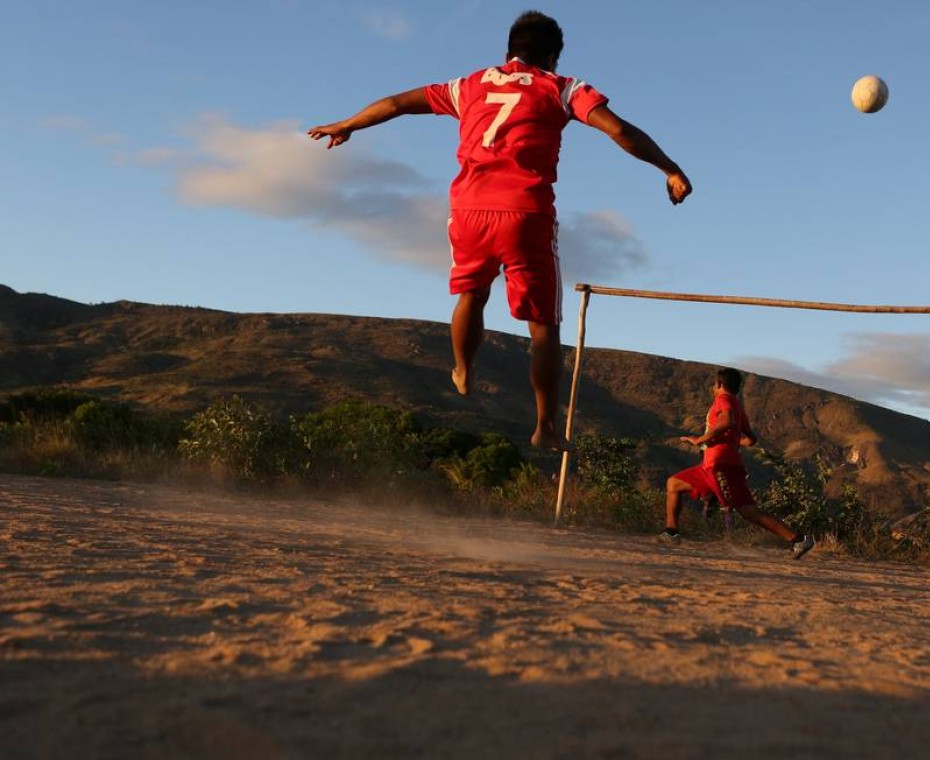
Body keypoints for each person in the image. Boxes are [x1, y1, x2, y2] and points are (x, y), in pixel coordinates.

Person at [308, 11, 691, 451]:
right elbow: (618, 129)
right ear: (552, 55)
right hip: (525, 212)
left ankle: (463, 369)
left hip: (469, 209)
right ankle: (546, 426)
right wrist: (670, 168)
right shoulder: (563, 87)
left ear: (508, 50)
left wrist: (346, 125)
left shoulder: (468, 85)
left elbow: (396, 103)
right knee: (543, 325)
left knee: (471, 294)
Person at [660, 368, 815, 560]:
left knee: (749, 512)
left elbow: (725, 421)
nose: (712, 387)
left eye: (713, 384)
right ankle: (671, 533)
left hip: (720, 466)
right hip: (712, 466)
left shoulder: (723, 400)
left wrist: (701, 439)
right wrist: (731, 441)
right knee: (673, 483)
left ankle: (798, 539)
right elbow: (751, 439)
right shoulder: (738, 407)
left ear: (719, 385)